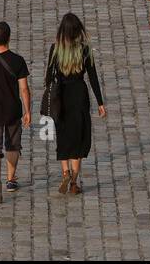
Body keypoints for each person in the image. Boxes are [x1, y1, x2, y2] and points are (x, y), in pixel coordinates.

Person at [45, 13, 105, 196]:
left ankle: (64, 172)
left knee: (63, 136)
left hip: (61, 97)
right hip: (79, 95)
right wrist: (100, 103)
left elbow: (48, 77)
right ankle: (73, 182)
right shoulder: (85, 50)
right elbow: (93, 77)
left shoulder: (55, 49)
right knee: (79, 140)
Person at [0, 21, 31, 205]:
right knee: (12, 145)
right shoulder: (18, 61)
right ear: (9, 37)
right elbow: (24, 89)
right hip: (12, 110)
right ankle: (10, 180)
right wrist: (27, 110)